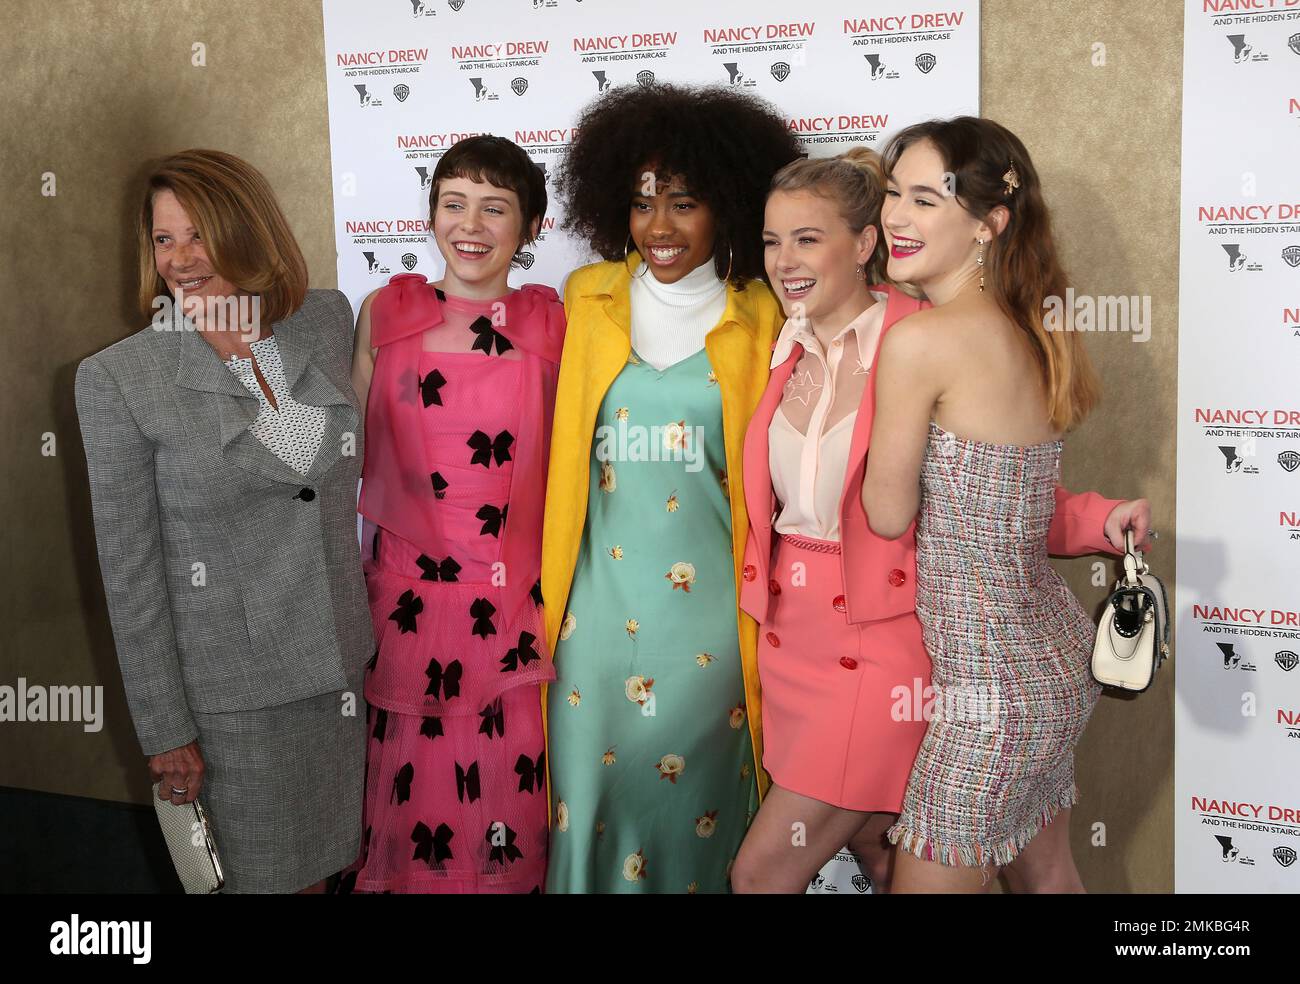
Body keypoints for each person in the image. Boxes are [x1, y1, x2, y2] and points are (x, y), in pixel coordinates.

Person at [730, 148, 1141, 894]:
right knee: (913, 859)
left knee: (762, 875)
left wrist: (1093, 517)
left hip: (892, 650)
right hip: (796, 650)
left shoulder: (923, 333)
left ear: (863, 247)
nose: (784, 260)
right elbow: (986, 492)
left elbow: (978, 495)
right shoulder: (772, 348)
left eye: (807, 238)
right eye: (770, 240)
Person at [862, 117, 1154, 893]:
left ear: (989, 224)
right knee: (1049, 876)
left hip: (990, 693)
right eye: (894, 194)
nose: (895, 216)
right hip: (1053, 662)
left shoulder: (920, 343)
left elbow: (886, 513)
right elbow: (1010, 502)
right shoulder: (1029, 328)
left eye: (926, 200)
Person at [76, 149, 373, 893]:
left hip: (343, 677)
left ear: (250, 231)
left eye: (198, 235)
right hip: (232, 705)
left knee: (331, 878)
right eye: (163, 239)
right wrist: (165, 730)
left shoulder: (326, 320)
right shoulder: (119, 378)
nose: (179, 259)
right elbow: (130, 575)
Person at [539, 83, 801, 893]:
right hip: (590, 616)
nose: (659, 227)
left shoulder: (764, 317)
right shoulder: (585, 301)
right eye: (643, 202)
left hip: (713, 630)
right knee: (586, 804)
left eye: (683, 204)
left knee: (697, 814)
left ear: (726, 206)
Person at [344, 135, 564, 893]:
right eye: (453, 203)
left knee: (505, 825)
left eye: (495, 207)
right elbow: (341, 447)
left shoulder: (554, 326)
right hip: (406, 609)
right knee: (412, 826)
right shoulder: (386, 311)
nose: (470, 224)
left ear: (531, 226)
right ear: (432, 213)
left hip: (511, 612)